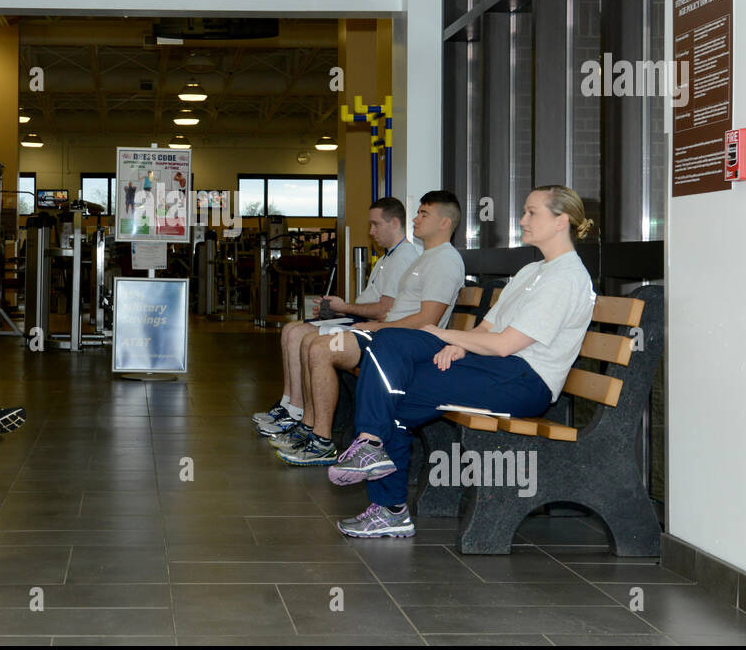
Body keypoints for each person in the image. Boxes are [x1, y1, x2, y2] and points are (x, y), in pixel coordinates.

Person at [326, 186, 597, 538]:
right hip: (497, 367)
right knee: (389, 347)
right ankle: (374, 456)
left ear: (561, 222)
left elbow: (506, 345)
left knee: (393, 389)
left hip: (523, 381)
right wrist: (462, 346)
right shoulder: (533, 271)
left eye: (532, 213)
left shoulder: (566, 277)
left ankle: (377, 468)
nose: (522, 219)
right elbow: (488, 327)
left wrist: (450, 337)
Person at [270, 192, 466, 466]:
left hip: (402, 342)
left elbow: (427, 320)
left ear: (445, 223)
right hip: (390, 334)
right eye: (417, 212)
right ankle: (310, 427)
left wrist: (377, 326)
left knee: (321, 348)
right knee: (312, 343)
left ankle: (322, 441)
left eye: (424, 214)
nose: (415, 218)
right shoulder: (425, 258)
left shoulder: (444, 260)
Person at [253, 197, 421, 434]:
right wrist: (336, 308)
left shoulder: (404, 256)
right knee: (291, 329)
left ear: (394, 223)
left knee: (300, 334)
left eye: (375, 225)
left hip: (368, 327)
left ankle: (297, 412)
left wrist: (344, 308)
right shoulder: (387, 257)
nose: (371, 231)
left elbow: (384, 310)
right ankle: (289, 405)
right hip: (355, 319)